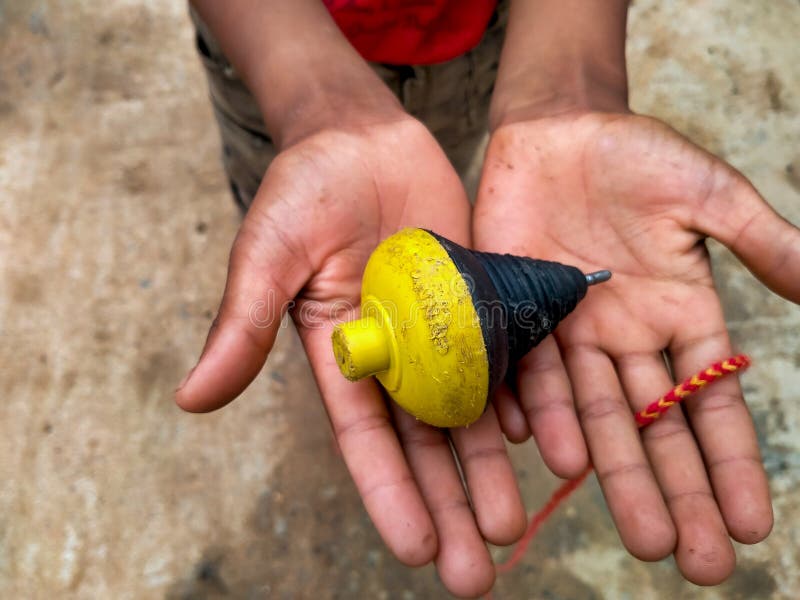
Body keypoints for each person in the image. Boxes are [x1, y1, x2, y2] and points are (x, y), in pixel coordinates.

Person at [175, 1, 800, 597]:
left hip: (478, 43)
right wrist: (312, 102)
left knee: (449, 142)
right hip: (266, 53)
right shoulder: (388, 279)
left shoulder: (396, 275)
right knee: (302, 244)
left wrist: (569, 84)